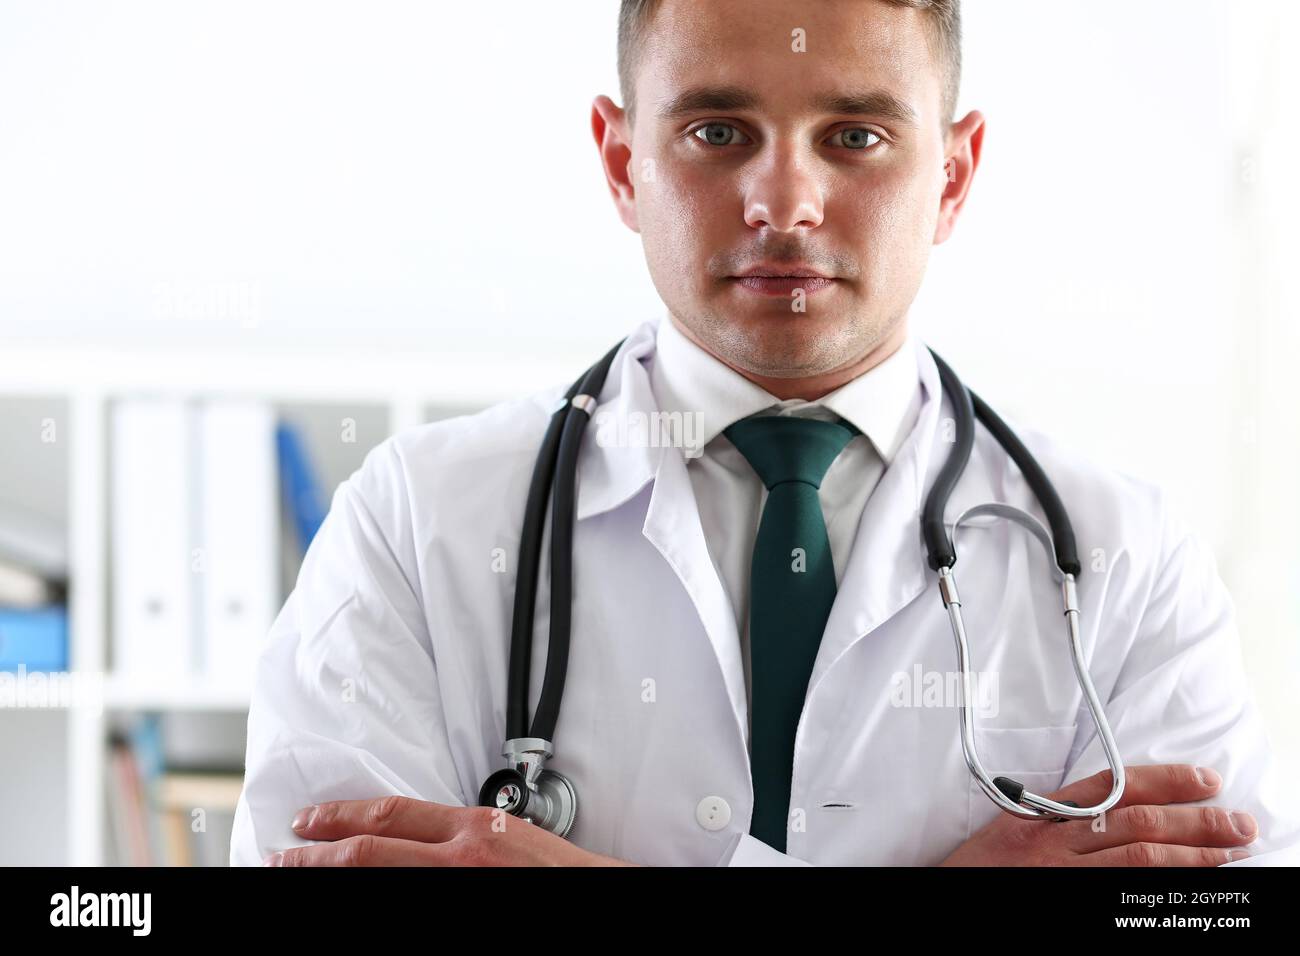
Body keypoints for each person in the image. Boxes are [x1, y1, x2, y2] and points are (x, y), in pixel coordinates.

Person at [230, 0, 1299, 866]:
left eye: (855, 135)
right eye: (717, 131)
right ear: (618, 161)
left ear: (953, 174)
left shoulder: (1124, 556)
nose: (783, 201)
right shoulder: (420, 524)